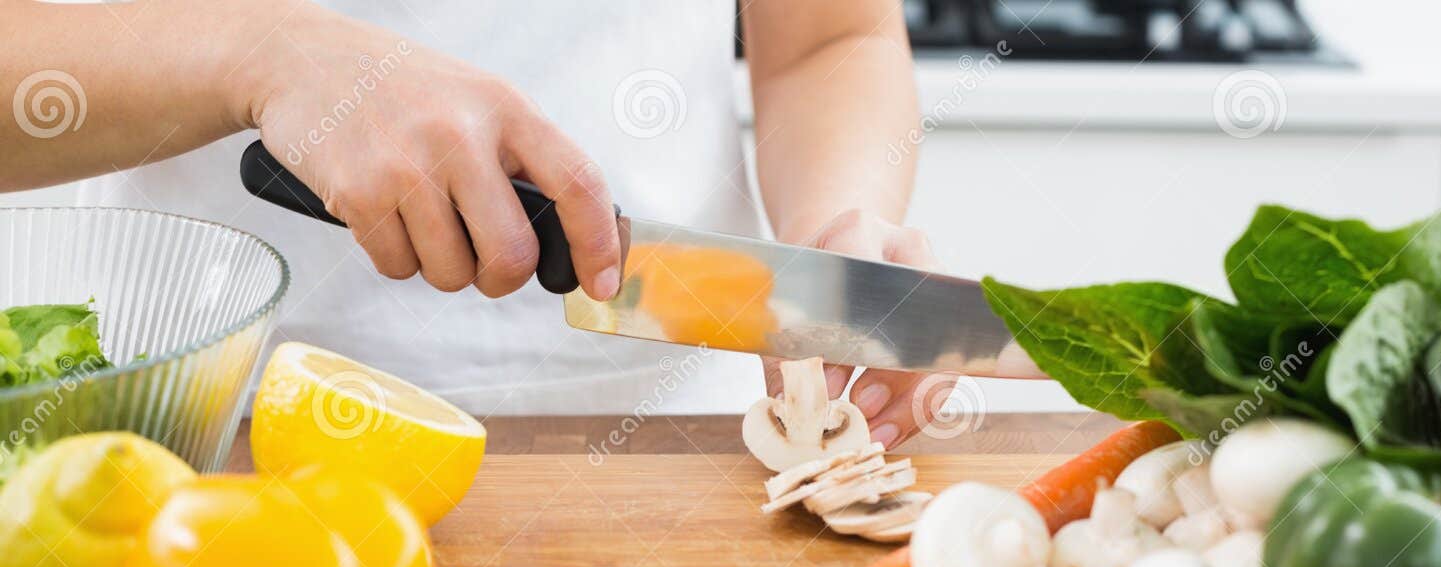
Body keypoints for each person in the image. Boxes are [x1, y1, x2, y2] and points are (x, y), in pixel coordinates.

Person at [2, 0, 954, 446]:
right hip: (208, 459)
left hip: (689, 457)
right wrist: (253, 52)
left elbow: (833, 38)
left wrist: (840, 226)